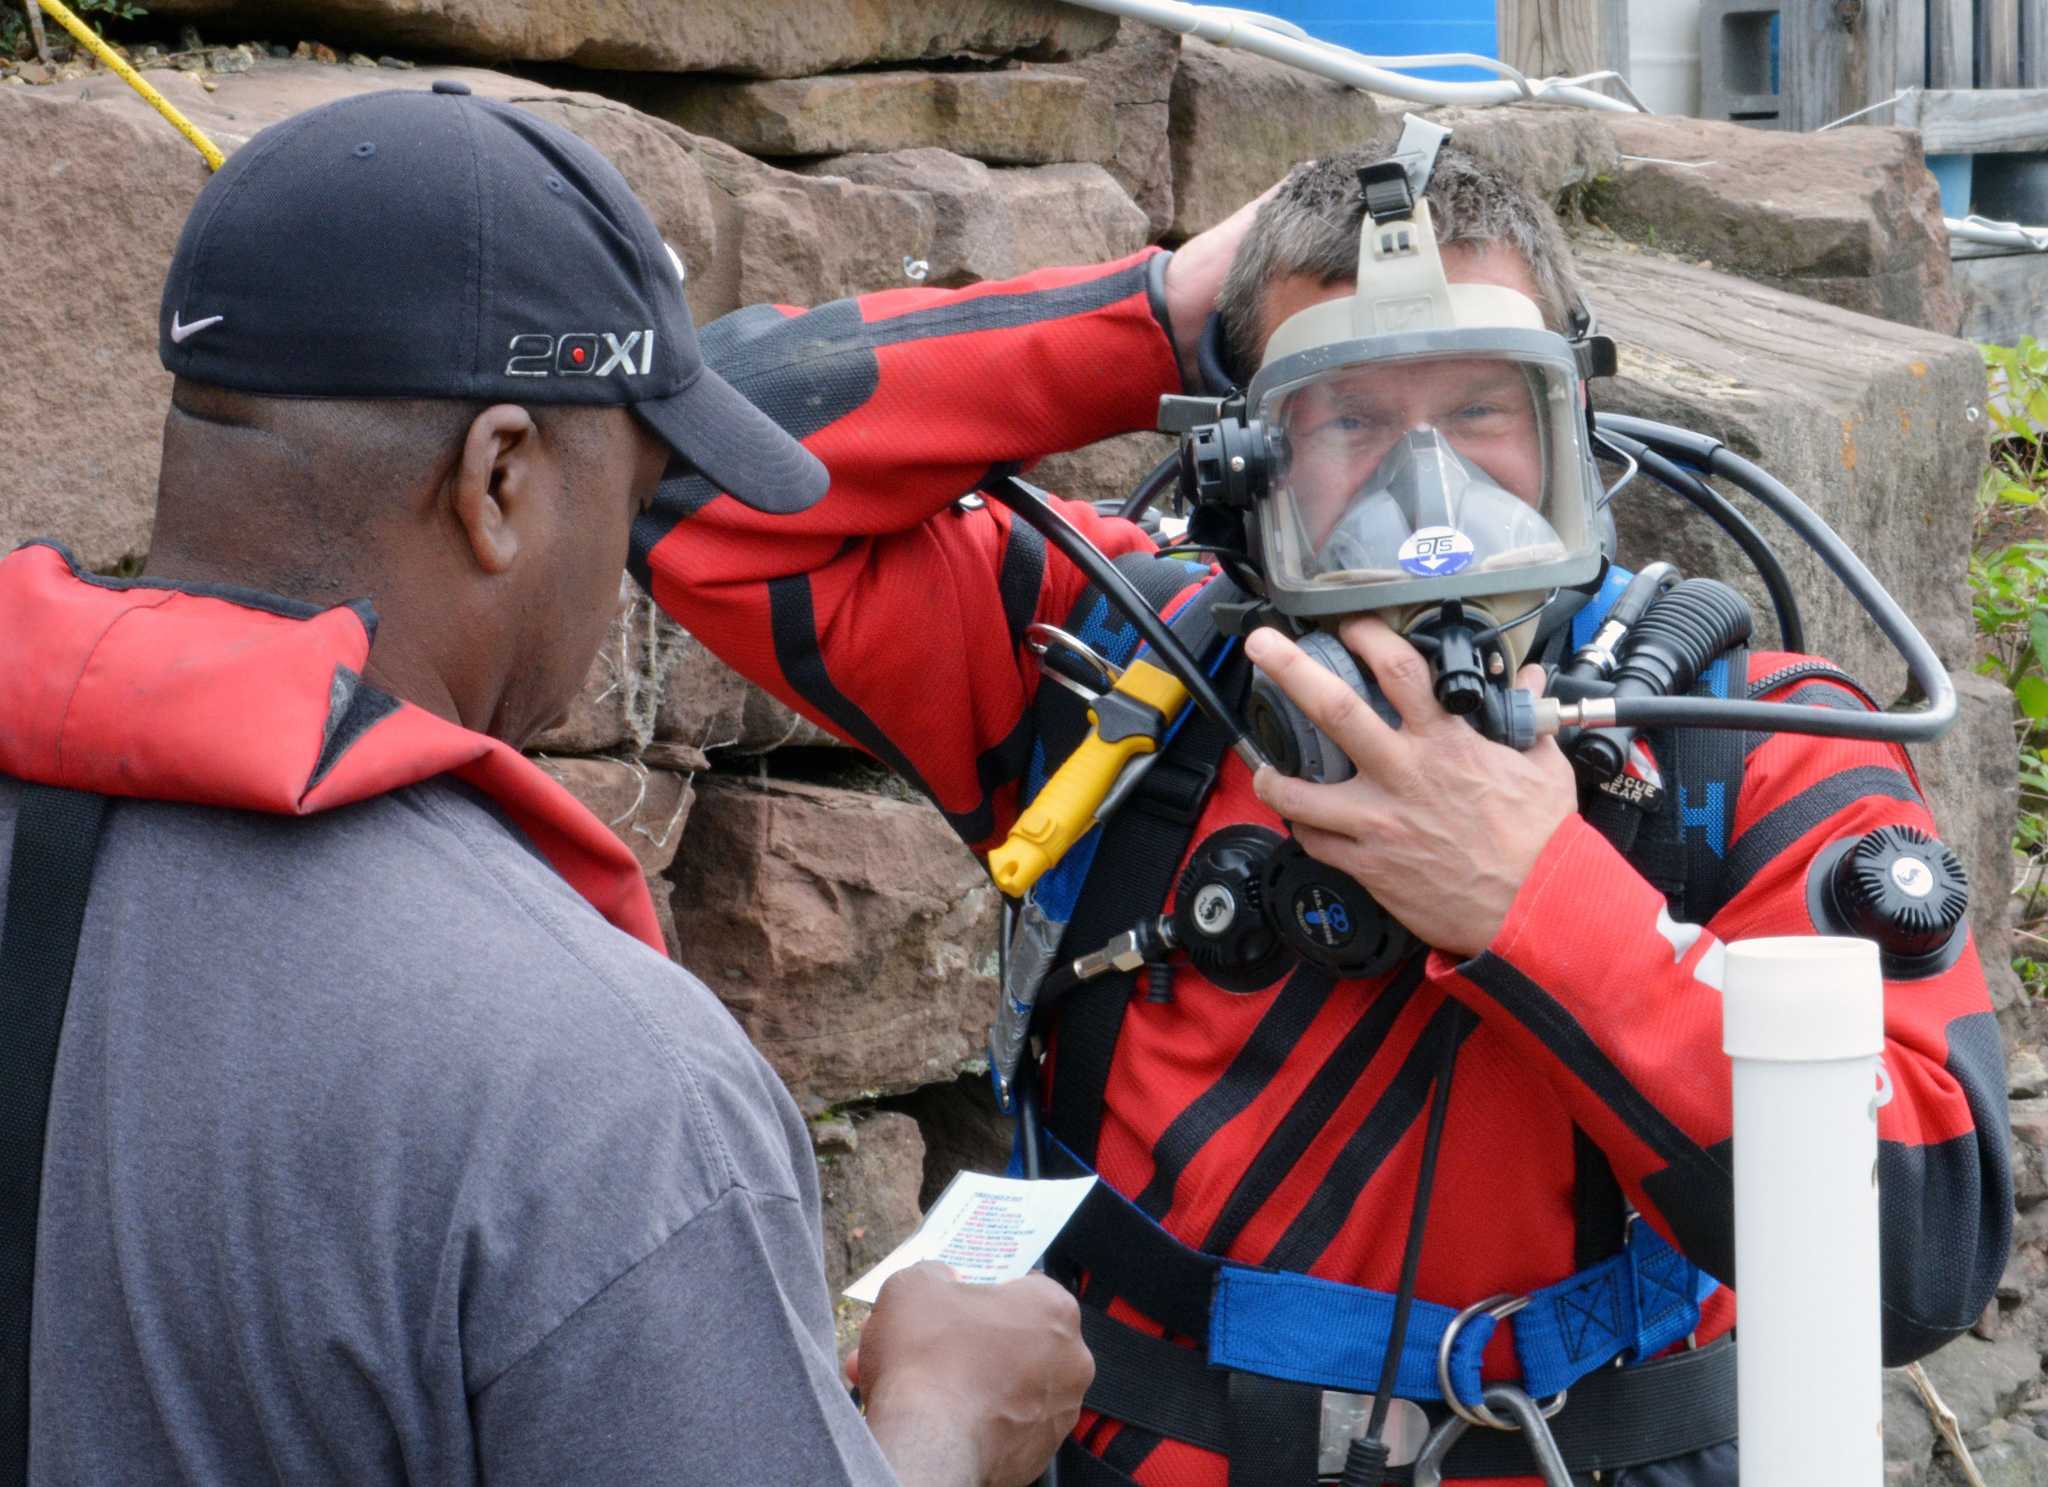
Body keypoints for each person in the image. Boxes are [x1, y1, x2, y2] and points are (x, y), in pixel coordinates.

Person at [635, 135, 2013, 1486]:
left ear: (1573, 435)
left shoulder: (1749, 754)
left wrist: (1537, 903)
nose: (1428, 496)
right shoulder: (1119, 669)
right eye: (1345, 420)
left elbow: (1926, 1250)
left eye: (1485, 410)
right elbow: (694, 468)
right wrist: (1159, 314)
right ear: (1246, 461)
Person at [0, 86, 1091, 1486]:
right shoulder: (605, 1090)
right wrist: (940, 1427)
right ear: (500, 479)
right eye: (632, 498)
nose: (629, 576)